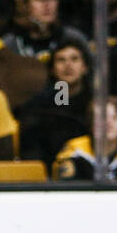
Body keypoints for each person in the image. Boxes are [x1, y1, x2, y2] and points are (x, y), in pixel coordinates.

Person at [16, 38, 92, 167]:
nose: (68, 65)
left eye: (74, 59)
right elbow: (30, 150)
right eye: (61, 60)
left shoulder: (97, 102)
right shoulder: (39, 106)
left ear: (85, 67)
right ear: (52, 69)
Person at [53, 96, 117, 180]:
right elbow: (64, 187)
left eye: (115, 118)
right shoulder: (75, 149)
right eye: (102, 118)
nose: (109, 123)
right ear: (91, 122)